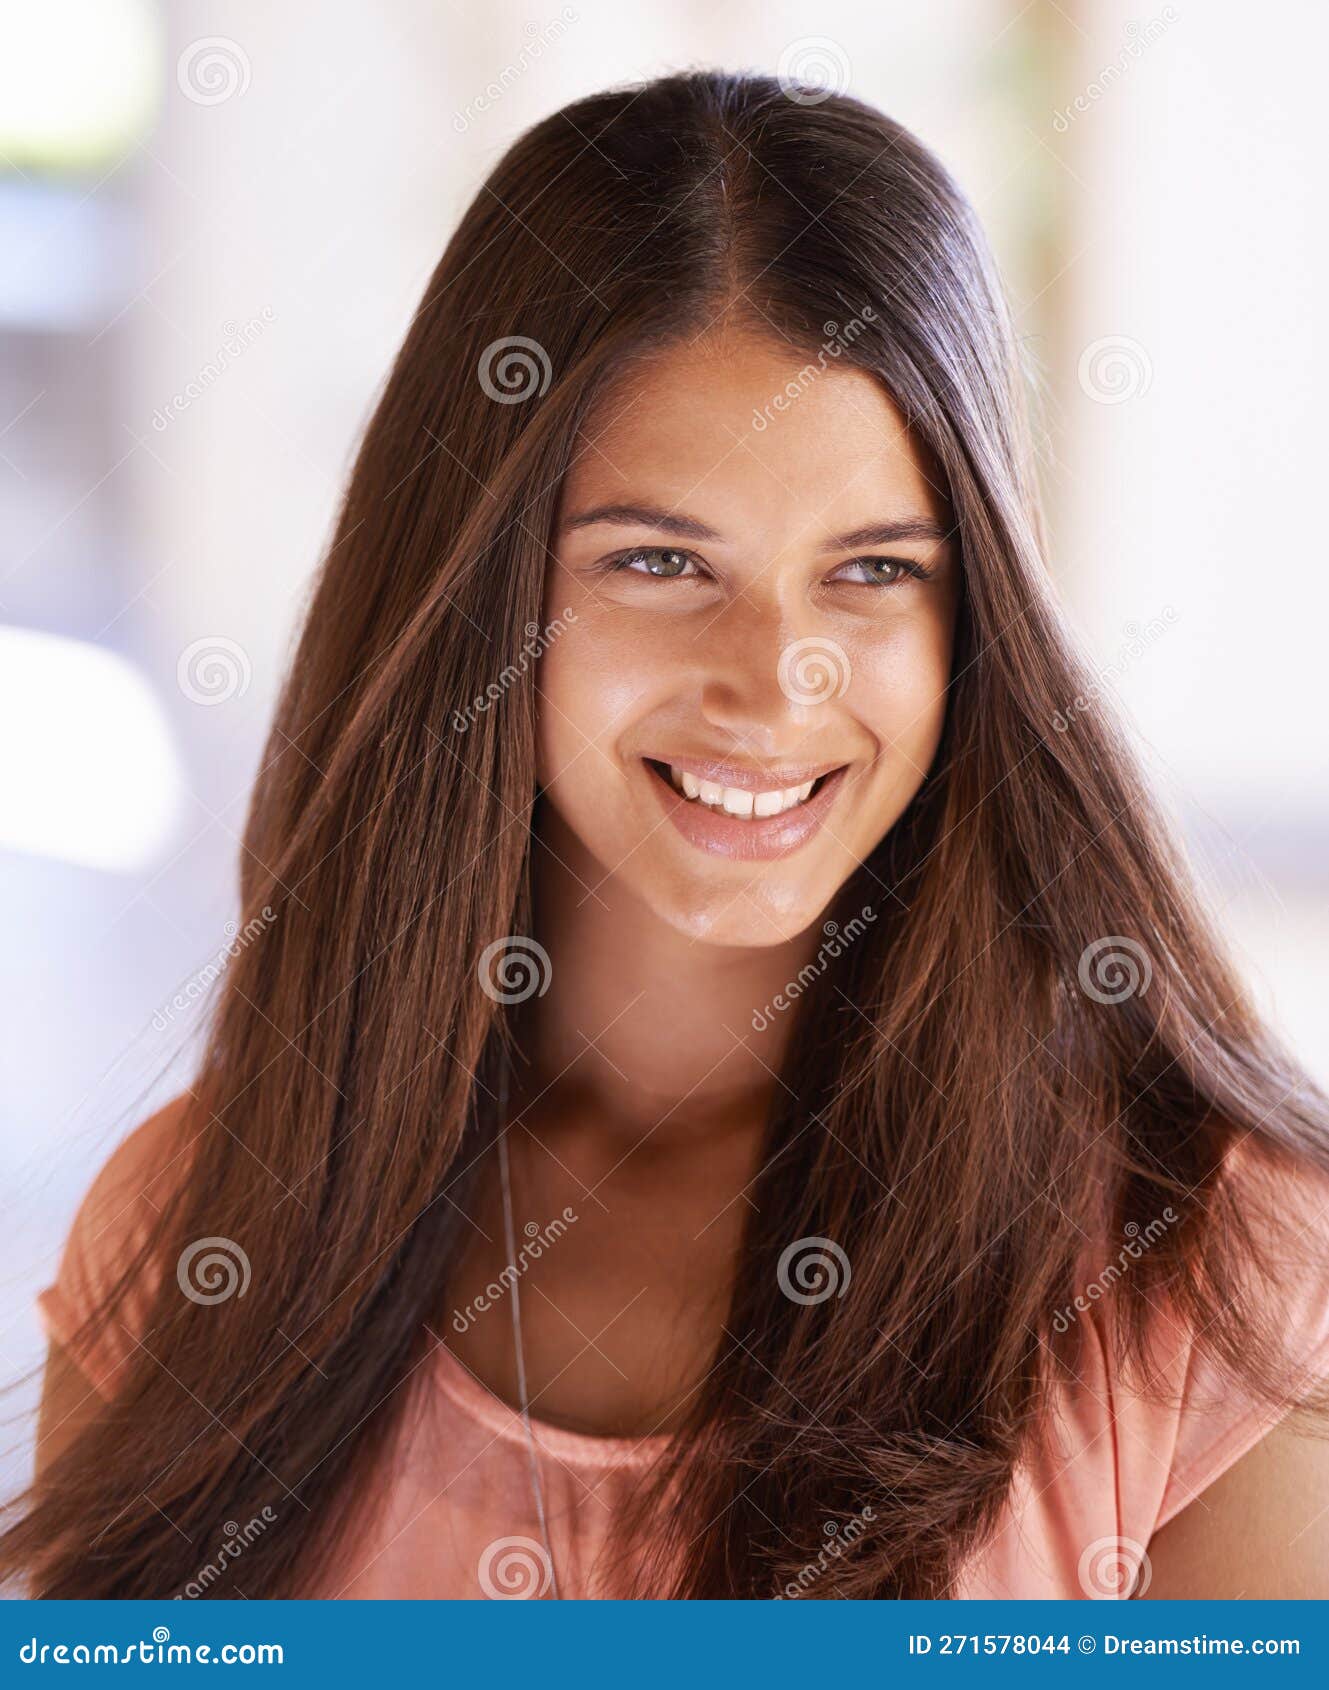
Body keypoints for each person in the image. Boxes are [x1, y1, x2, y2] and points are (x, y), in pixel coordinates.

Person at [9, 70, 1329, 1601]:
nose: (775, 680)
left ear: (977, 619)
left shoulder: (1220, 1274)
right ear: (479, 594)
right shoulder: (195, 1237)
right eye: (656, 559)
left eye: (873, 571)